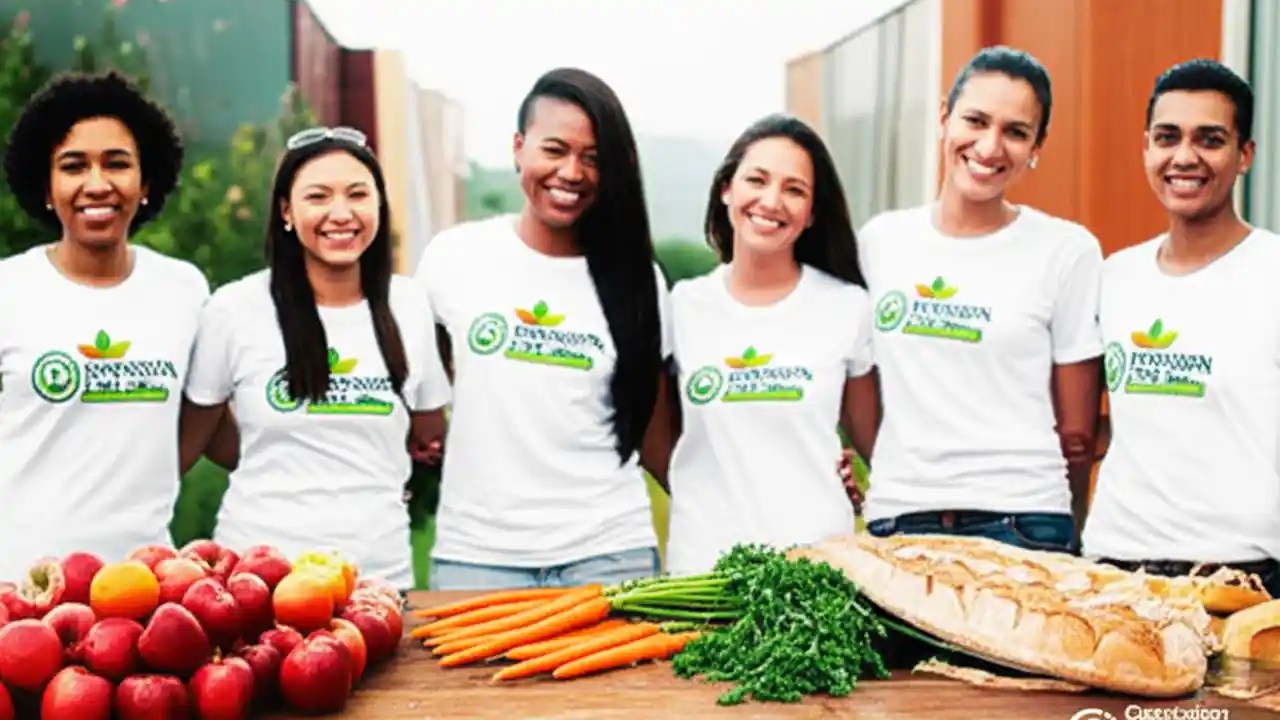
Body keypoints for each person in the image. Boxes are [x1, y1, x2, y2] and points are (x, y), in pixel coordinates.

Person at [414, 67, 670, 590]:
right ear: (518, 148)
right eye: (555, 150)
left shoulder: (640, 281)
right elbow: (416, 378)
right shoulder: (455, 257)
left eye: (593, 158)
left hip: (609, 553)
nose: (571, 172)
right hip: (478, 556)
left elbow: (657, 432)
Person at [855, 46, 1103, 554]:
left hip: (1025, 523)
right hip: (900, 519)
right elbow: (857, 384)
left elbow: (1077, 430)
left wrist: (1066, 525)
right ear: (944, 117)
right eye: (976, 120)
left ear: (1038, 145)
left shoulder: (1067, 250)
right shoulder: (880, 242)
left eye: (1016, 131)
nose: (990, 147)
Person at [180, 125, 450, 591]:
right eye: (318, 197)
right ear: (287, 211)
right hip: (256, 581)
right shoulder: (235, 308)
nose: (340, 213)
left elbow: (428, 431)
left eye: (358, 195)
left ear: (379, 208)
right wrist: (284, 456)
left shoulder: (409, 305)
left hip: (378, 578)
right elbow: (198, 436)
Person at [0, 70, 217, 581]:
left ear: (145, 183)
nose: (97, 184)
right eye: (73, 166)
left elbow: (204, 416)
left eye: (117, 164)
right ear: (47, 187)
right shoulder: (8, 289)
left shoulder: (184, 290)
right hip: (18, 584)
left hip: (145, 587)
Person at [1082, 59, 1280, 597]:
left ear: (1245, 155)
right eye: (1168, 137)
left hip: (1244, 576)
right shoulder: (1113, 276)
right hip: (1115, 572)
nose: (1184, 157)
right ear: (1147, 147)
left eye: (1210, 139)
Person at [659, 114, 878, 576]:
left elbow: (875, 442)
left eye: (794, 189)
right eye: (756, 180)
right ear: (726, 189)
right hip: (702, 569)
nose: (771, 201)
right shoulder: (683, 306)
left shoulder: (847, 306)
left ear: (813, 211)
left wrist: (856, 477)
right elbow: (656, 435)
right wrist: (701, 490)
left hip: (817, 568)